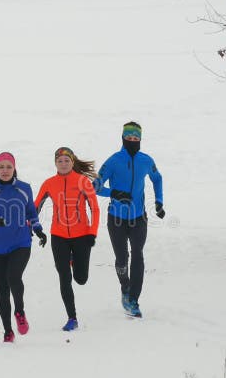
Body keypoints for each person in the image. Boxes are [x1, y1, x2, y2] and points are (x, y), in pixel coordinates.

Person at [0, 152, 47, 343]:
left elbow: (31, 213)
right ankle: (8, 331)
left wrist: (38, 230)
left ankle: (20, 312)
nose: (5, 170)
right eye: (1, 167)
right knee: (2, 290)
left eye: (9, 167)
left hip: (20, 242)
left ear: (14, 168)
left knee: (13, 277)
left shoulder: (24, 188)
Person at [93, 122, 164, 318]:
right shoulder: (113, 161)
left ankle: (133, 300)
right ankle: (125, 287)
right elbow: (95, 186)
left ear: (140, 139)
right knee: (122, 259)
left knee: (138, 255)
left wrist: (159, 201)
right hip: (116, 218)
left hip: (138, 217)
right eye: (129, 138)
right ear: (123, 138)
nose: (133, 141)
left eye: (136, 138)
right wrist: (113, 193)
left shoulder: (146, 160)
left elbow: (157, 178)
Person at [34, 147, 100, 331]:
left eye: (66, 161)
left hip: (82, 236)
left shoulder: (83, 182)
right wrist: (31, 226)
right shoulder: (49, 183)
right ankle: (72, 318)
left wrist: (92, 232)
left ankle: (74, 260)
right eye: (59, 161)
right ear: (55, 163)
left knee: (81, 279)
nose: (63, 164)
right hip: (58, 236)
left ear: (72, 162)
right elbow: (35, 207)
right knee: (64, 277)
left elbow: (95, 209)